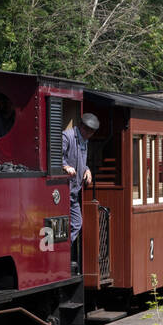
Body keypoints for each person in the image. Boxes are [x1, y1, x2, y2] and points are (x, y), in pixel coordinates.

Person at [63, 113, 99, 270]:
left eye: (92, 132)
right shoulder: (67, 136)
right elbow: (55, 156)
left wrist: (87, 170)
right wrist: (65, 166)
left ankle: (63, 251)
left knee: (77, 222)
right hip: (62, 189)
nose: (90, 134)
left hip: (74, 191)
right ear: (82, 127)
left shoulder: (85, 141)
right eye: (89, 130)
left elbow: (81, 162)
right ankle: (61, 253)